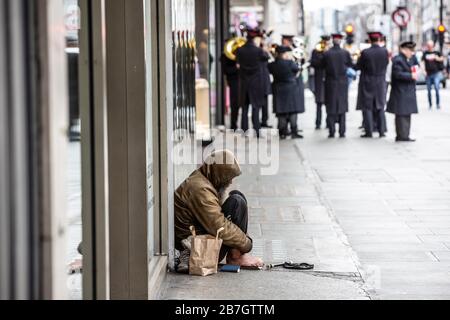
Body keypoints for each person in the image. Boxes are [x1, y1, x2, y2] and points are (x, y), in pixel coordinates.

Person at [174, 150, 263, 273]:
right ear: (219, 174)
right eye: (228, 178)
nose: (230, 182)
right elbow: (219, 226)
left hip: (200, 238)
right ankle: (236, 257)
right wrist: (247, 244)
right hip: (199, 249)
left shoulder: (201, 179)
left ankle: (236, 254)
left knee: (236, 195)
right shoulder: (200, 190)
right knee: (236, 202)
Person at [236, 28, 270, 138]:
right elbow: (267, 58)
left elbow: (238, 63)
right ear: (255, 38)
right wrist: (262, 46)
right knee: (256, 108)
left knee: (245, 109)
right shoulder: (259, 51)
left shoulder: (240, 50)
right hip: (256, 84)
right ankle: (257, 131)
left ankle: (244, 131)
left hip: (244, 83)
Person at [356, 31, 389, 138]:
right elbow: (386, 63)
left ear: (370, 40)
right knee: (380, 106)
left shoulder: (365, 52)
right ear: (379, 40)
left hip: (368, 81)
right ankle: (381, 131)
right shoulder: (384, 52)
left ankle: (369, 131)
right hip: (380, 82)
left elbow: (358, 66)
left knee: (368, 107)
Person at [321, 33, 353, 138]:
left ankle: (331, 131)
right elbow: (350, 64)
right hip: (342, 83)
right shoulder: (345, 53)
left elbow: (321, 65)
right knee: (342, 108)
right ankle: (342, 131)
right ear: (340, 41)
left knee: (330, 107)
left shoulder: (327, 53)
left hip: (330, 83)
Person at [269, 46, 304, 139]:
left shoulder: (272, 64)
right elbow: (297, 71)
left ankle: (282, 131)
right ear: (284, 54)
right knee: (292, 111)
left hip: (278, 89)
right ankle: (294, 131)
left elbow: (270, 70)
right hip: (290, 89)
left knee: (281, 112)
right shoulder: (290, 63)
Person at [387, 41, 418, 142]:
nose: (411, 52)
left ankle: (405, 134)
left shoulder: (410, 59)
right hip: (400, 92)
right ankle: (401, 135)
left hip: (407, 91)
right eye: (410, 50)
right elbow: (397, 74)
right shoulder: (398, 60)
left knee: (407, 114)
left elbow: (415, 66)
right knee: (401, 115)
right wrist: (410, 76)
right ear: (403, 50)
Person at [310, 35, 330, 129]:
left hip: (329, 79)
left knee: (329, 102)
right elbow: (313, 63)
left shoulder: (330, 51)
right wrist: (322, 55)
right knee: (319, 103)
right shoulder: (316, 51)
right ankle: (318, 123)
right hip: (319, 79)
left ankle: (328, 122)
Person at [221, 46, 240, 130]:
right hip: (234, 82)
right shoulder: (225, 56)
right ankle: (233, 124)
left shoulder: (239, 55)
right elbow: (226, 70)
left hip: (242, 81)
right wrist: (236, 67)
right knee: (234, 104)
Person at [422, 40, 445, 110]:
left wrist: (436, 58)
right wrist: (423, 71)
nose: (429, 47)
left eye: (431, 46)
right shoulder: (425, 53)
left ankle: (438, 104)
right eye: (428, 46)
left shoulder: (437, 52)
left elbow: (442, 58)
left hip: (436, 73)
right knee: (429, 90)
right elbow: (422, 62)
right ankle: (430, 104)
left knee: (437, 89)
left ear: (433, 46)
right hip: (428, 74)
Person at [260, 36, 273, 128]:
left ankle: (264, 121)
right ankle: (261, 122)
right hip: (261, 81)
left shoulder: (264, 53)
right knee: (259, 104)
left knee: (265, 104)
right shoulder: (260, 53)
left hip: (264, 81)